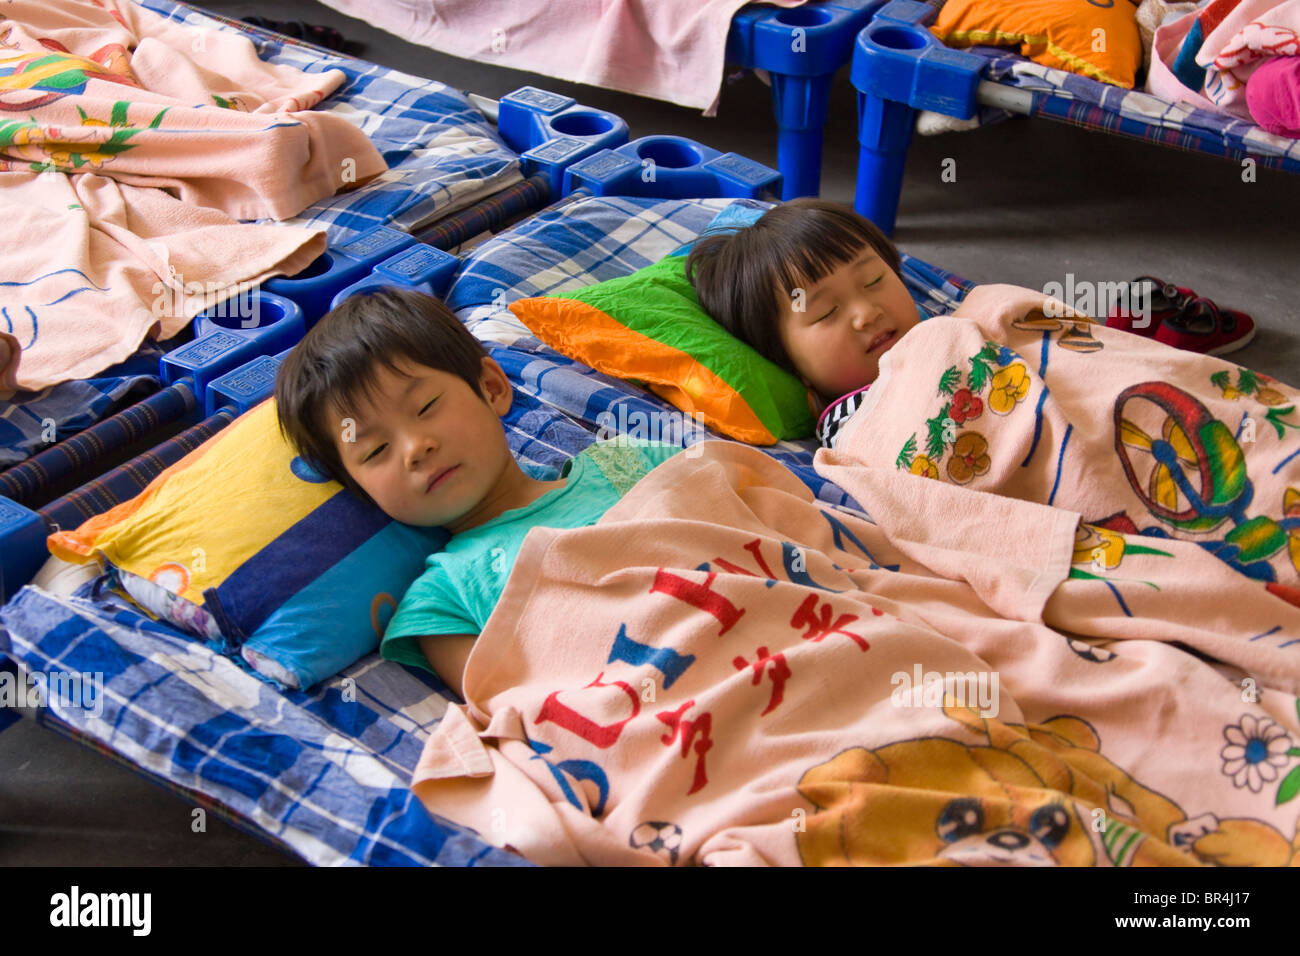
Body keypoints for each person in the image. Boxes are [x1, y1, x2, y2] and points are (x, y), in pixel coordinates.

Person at [274, 288, 681, 698]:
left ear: (492, 388)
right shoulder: (442, 602)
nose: (416, 448)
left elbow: (742, 507)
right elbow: (520, 711)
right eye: (376, 450)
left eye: (426, 406)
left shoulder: (631, 463)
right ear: (361, 491)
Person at [684, 198, 1081, 446]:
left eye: (874, 280)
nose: (866, 313)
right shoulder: (853, 422)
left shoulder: (963, 324)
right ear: (786, 362)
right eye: (825, 313)